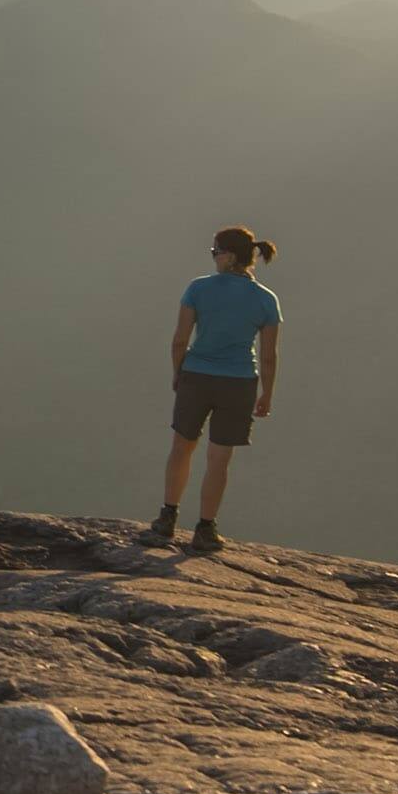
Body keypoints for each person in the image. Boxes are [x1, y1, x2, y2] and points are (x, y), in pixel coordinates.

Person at [143, 227, 280, 553]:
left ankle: (167, 519)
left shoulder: (199, 289)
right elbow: (269, 355)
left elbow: (179, 339)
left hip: (197, 376)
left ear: (230, 256)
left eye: (215, 251)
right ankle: (205, 529)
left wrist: (179, 374)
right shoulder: (265, 299)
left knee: (182, 447)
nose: (213, 256)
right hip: (239, 383)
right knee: (219, 458)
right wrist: (267, 394)